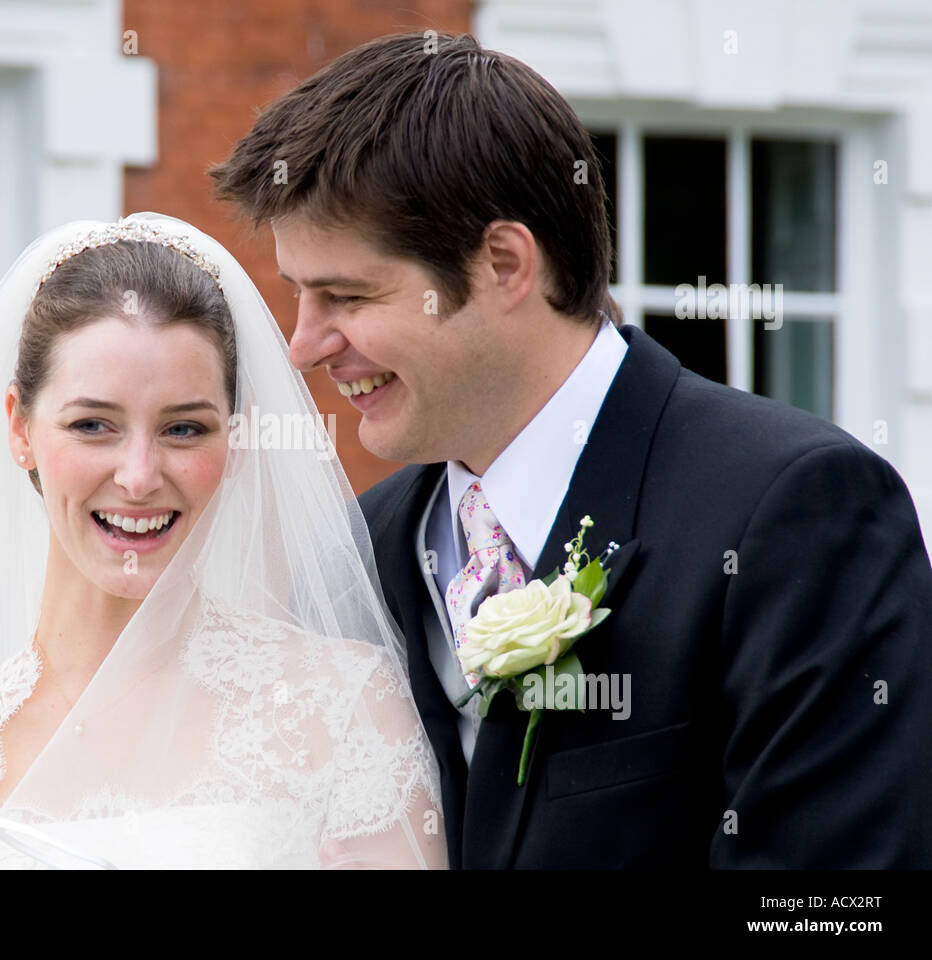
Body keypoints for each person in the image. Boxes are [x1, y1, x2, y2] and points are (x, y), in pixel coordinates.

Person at [210, 31, 932, 868]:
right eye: (300, 296)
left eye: (348, 295)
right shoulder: (355, 556)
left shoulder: (798, 513)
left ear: (506, 264)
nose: (303, 346)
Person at [0, 213, 446, 869]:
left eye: (184, 430)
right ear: (19, 428)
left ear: (237, 436)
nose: (138, 477)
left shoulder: (342, 709)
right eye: (93, 425)